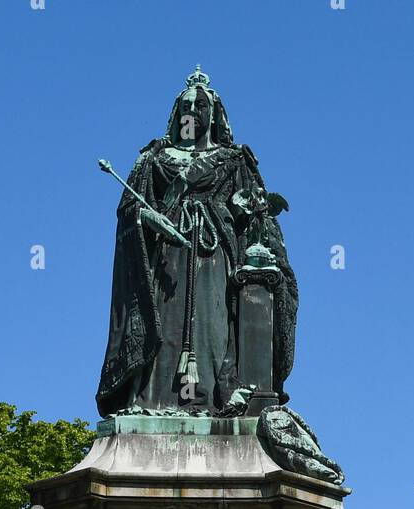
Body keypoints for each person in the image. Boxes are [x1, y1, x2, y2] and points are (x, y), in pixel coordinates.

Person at [97, 67, 297, 416]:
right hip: (166, 258)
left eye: (200, 105)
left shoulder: (234, 161)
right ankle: (153, 400)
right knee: (166, 326)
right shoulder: (153, 160)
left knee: (211, 327)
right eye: (186, 105)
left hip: (214, 256)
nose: (192, 110)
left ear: (214, 114)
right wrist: (148, 217)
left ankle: (211, 402)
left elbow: (256, 220)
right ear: (177, 113)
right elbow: (127, 212)